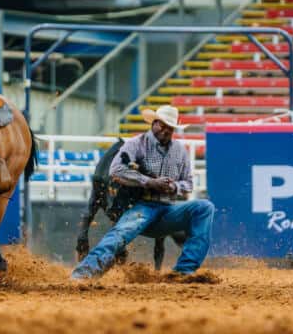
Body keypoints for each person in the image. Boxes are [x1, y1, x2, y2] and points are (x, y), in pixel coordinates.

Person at [71, 105, 215, 280]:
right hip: (140, 206)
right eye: (162, 125)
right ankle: (84, 273)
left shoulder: (180, 151)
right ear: (154, 123)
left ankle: (183, 271)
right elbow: (116, 170)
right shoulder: (136, 144)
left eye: (170, 127)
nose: (165, 130)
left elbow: (189, 183)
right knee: (119, 234)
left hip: (168, 208)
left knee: (205, 207)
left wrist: (174, 187)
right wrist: (149, 182)